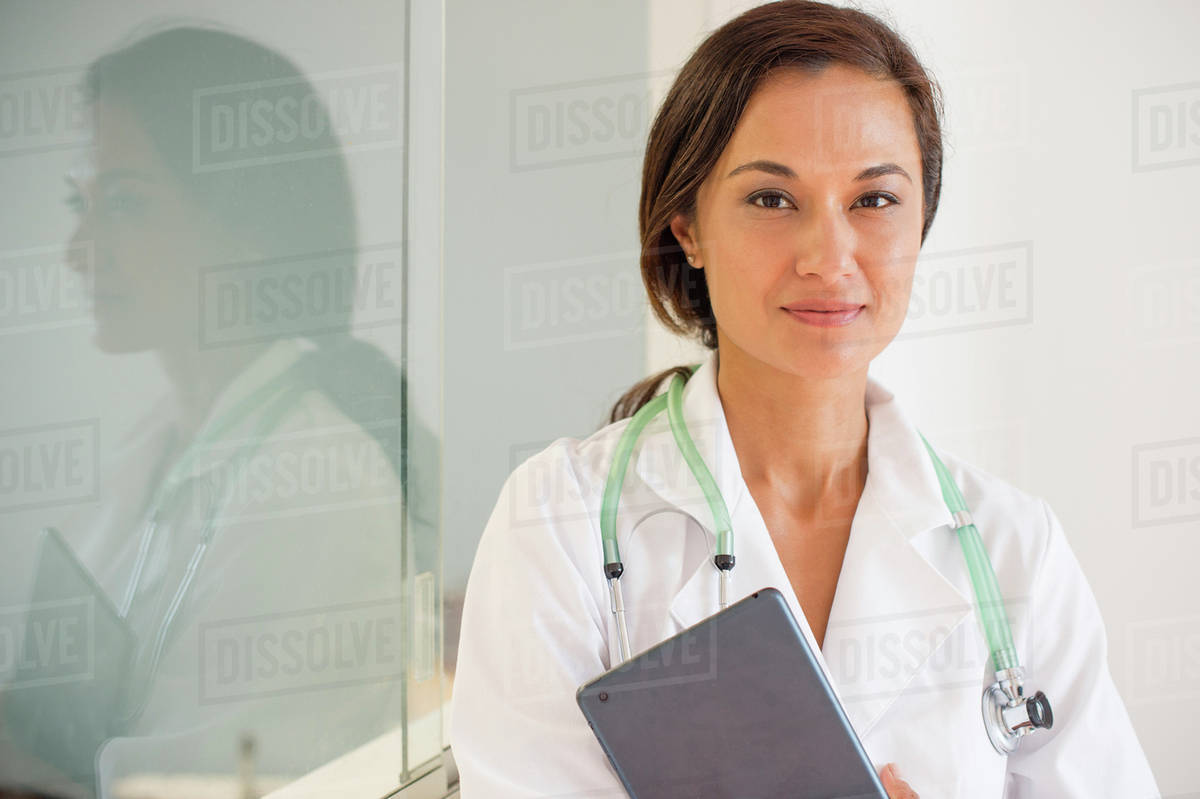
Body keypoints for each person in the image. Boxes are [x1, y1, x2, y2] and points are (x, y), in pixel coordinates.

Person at [448, 2, 1160, 797]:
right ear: (687, 224)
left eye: (875, 199)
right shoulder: (563, 525)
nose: (830, 257)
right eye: (772, 200)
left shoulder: (1013, 549)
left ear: (922, 216)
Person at [0, 24, 440, 798]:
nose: (79, 249)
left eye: (127, 204)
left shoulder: (317, 484)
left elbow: (208, 784)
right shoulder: (162, 441)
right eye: (83, 201)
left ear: (251, 228)